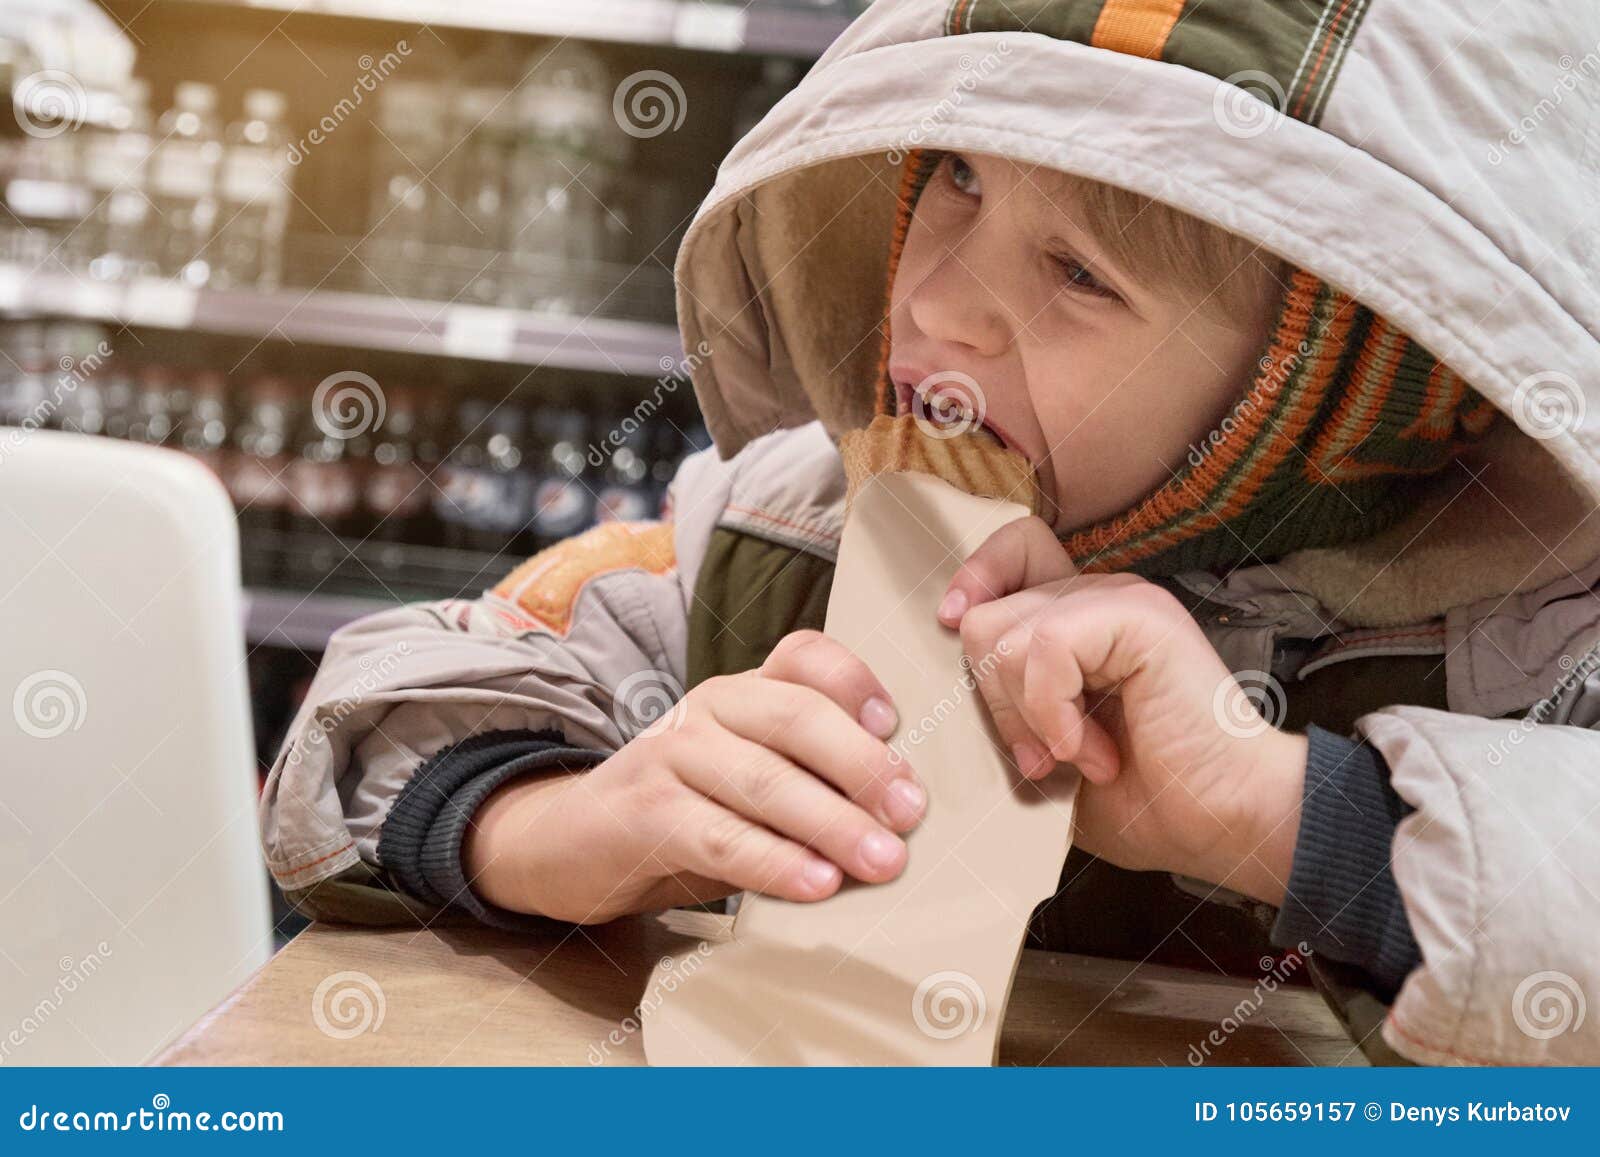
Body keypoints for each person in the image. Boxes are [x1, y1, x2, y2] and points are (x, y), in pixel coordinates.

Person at [260, 0, 1600, 1065]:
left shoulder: (1549, 648)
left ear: (1344, 378)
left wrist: (1283, 818)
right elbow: (389, 721)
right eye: (955, 176)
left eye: (1080, 274)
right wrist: (561, 825)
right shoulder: (786, 528)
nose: (938, 302)